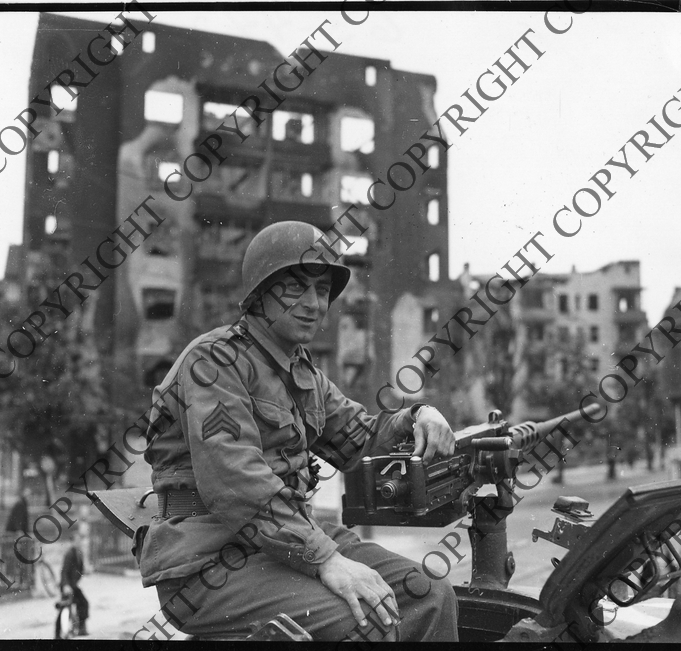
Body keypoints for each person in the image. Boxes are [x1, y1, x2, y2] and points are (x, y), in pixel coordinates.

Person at [136, 221, 459, 642]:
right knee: (370, 622)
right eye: (296, 287)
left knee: (432, 594)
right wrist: (326, 559)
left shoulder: (301, 372)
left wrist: (419, 416)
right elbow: (235, 481)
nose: (313, 303)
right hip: (208, 561)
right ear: (260, 295)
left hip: (282, 545)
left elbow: (361, 440)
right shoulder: (213, 363)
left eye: (322, 290)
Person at [59, 529, 89, 636]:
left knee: (83, 603)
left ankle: (81, 627)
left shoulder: (79, 553)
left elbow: (80, 570)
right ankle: (60, 633)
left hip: (73, 585)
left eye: (80, 540)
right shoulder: (69, 554)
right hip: (67, 585)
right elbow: (64, 571)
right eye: (77, 541)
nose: (79, 542)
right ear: (72, 542)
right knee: (65, 607)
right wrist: (66, 585)